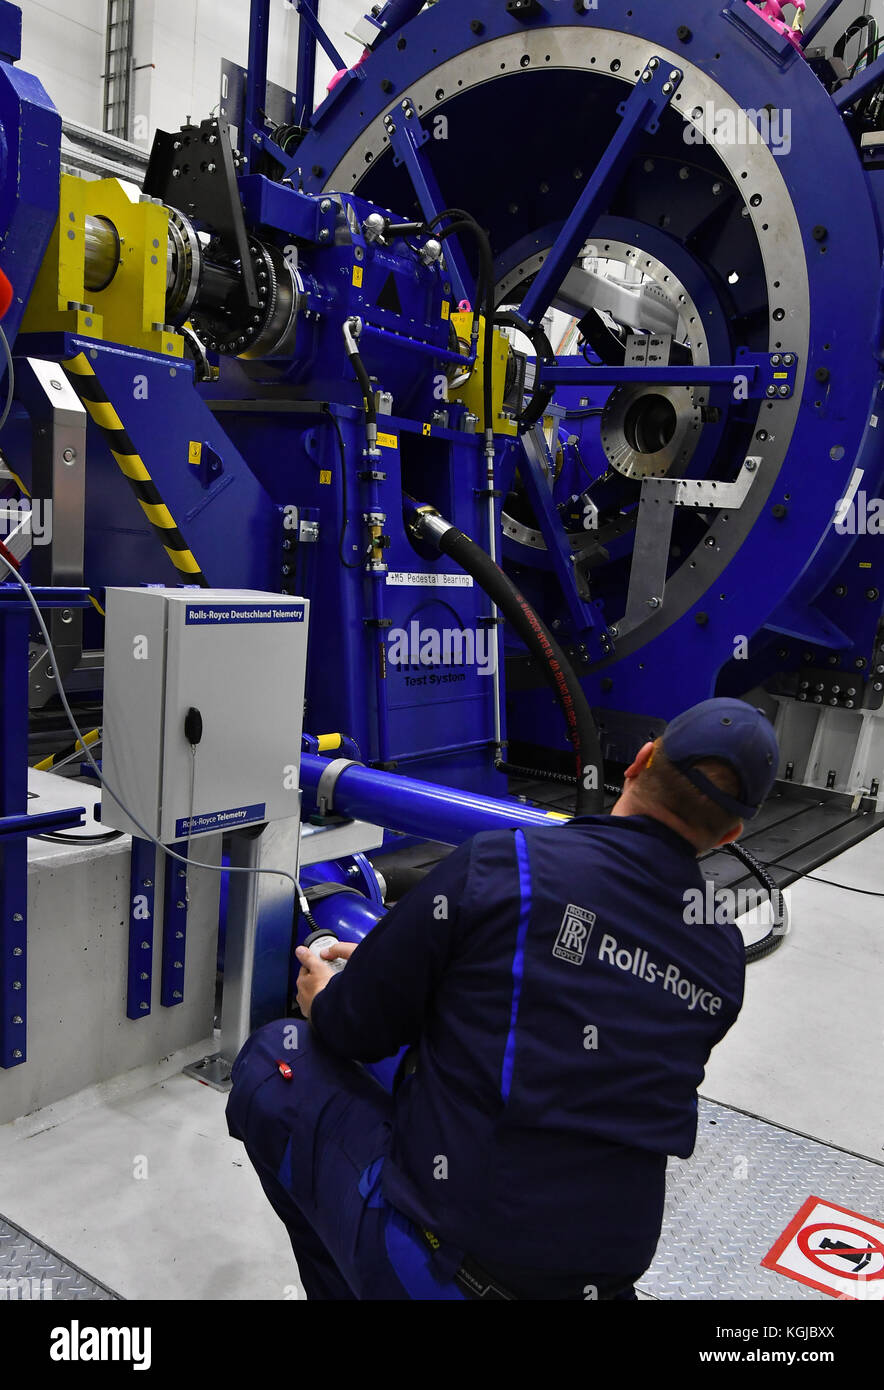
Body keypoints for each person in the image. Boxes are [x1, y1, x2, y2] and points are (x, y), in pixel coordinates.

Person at [226, 697, 780, 1300]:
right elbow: (590, 1025)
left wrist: (327, 995)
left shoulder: (506, 863)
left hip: (457, 1270)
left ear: (639, 762)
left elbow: (353, 1031)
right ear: (731, 833)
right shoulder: (723, 952)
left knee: (277, 1057)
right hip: (602, 1281)